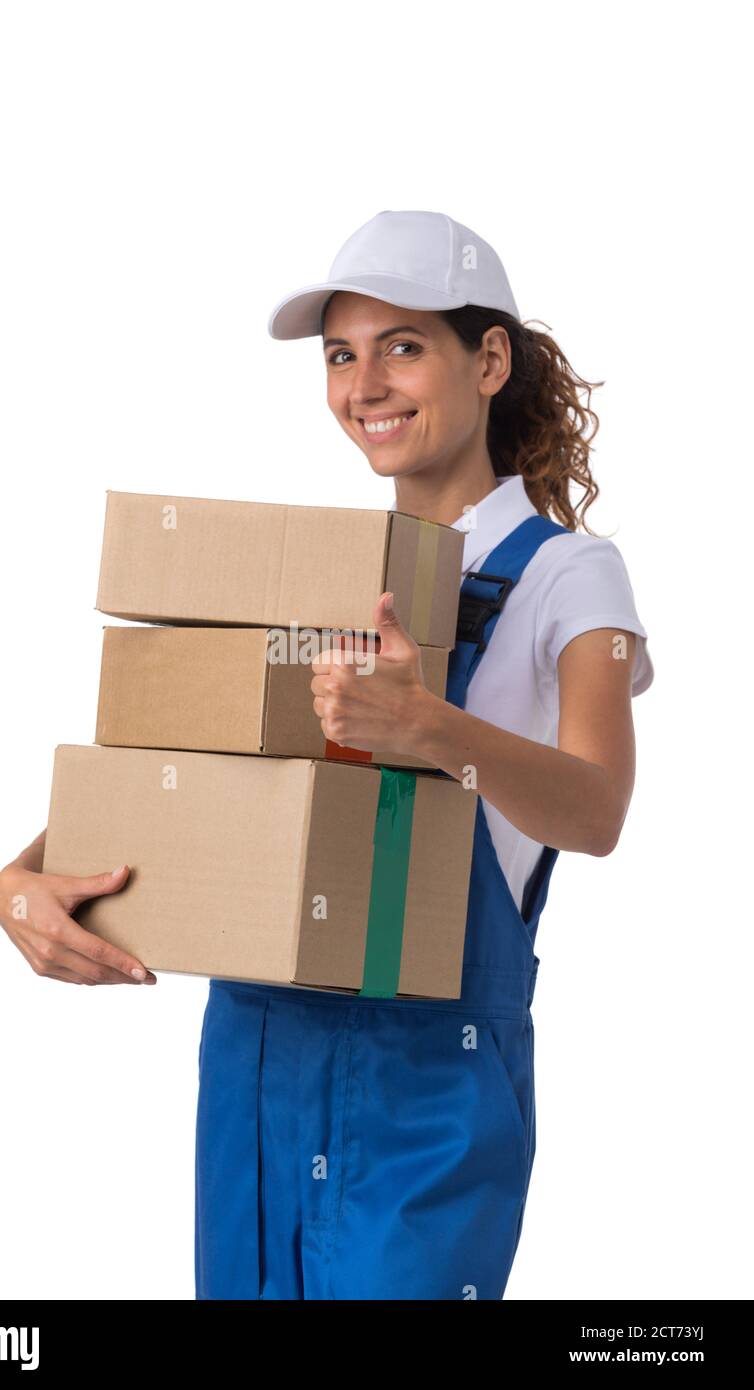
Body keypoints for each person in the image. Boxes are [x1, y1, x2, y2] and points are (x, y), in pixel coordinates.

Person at [193, 210, 653, 1300]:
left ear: (487, 358)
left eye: (402, 344)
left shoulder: (570, 577)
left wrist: (429, 729)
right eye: (340, 356)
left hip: (427, 1079)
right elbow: (205, 760)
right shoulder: (326, 576)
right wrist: (42, 869)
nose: (364, 385)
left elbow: (595, 811)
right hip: (258, 1049)